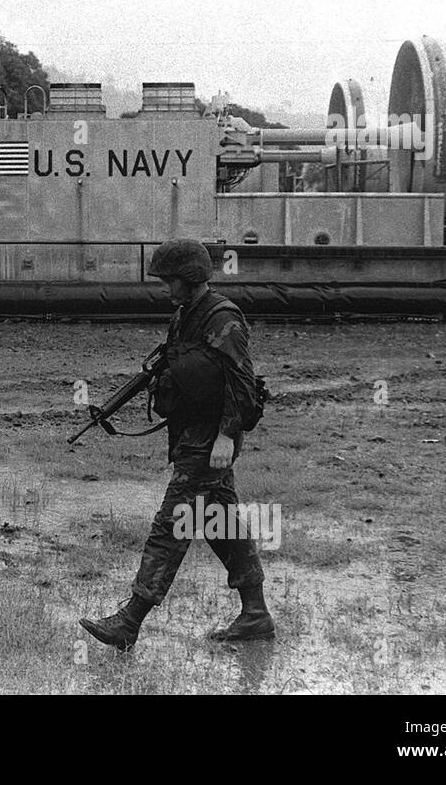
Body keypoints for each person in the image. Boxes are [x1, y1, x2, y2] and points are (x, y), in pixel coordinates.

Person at [79, 238, 273, 649]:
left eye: (169, 280)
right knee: (221, 524)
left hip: (210, 439)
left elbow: (241, 383)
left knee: (171, 526)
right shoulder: (185, 315)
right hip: (190, 435)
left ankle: (129, 622)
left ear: (189, 278)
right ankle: (256, 613)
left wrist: (227, 435)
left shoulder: (223, 318)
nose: (164, 288)